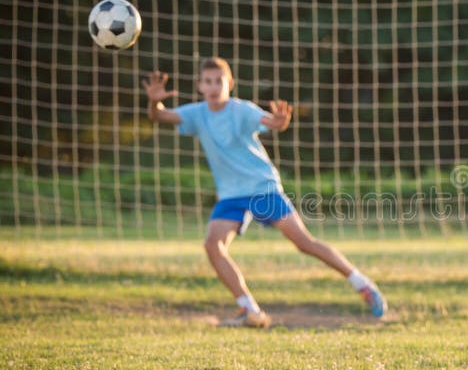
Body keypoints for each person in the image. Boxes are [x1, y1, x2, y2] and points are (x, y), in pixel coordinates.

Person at [142, 57, 386, 328]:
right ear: (199, 85)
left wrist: (280, 120)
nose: (213, 87)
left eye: (219, 81)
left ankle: (362, 283)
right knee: (213, 245)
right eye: (208, 82)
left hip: (261, 188)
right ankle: (249, 309)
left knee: (304, 242)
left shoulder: (241, 110)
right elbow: (160, 115)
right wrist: (154, 101)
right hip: (231, 196)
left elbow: (272, 122)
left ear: (230, 84)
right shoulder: (197, 114)